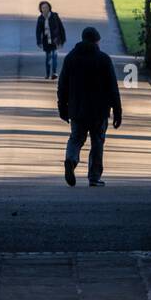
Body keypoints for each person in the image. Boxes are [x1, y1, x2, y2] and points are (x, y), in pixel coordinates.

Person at [56, 26, 122, 188]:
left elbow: (62, 85)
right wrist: (117, 111)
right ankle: (94, 176)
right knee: (97, 141)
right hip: (99, 110)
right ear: (96, 41)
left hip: (77, 109)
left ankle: (71, 160)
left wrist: (62, 108)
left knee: (76, 138)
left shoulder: (71, 58)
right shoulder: (103, 59)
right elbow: (112, 87)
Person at [35, 0, 67, 80]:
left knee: (54, 56)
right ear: (40, 9)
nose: (45, 9)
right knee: (48, 58)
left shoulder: (55, 16)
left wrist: (63, 39)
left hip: (55, 40)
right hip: (46, 41)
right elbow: (38, 31)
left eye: (46, 7)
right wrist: (39, 41)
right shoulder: (40, 18)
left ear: (49, 7)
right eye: (43, 8)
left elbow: (61, 27)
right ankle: (48, 74)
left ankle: (54, 73)